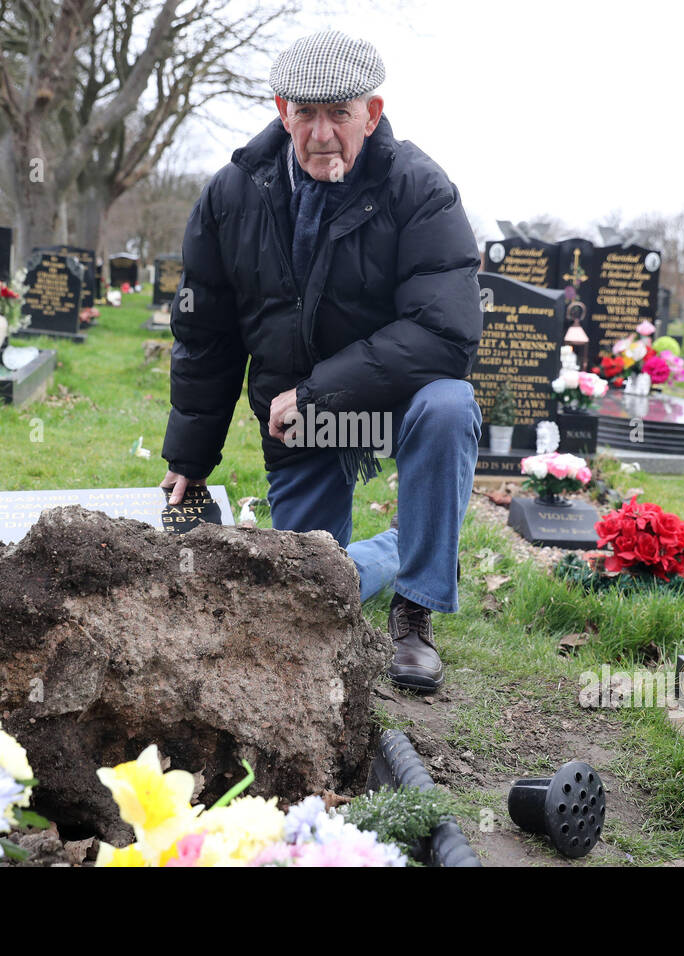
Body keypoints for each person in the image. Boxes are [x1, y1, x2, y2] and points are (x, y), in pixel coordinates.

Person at [160, 29, 481, 692]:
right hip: (303, 425)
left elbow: (445, 334)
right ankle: (399, 549)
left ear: (374, 111)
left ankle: (415, 611)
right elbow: (207, 332)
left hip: (384, 410)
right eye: (306, 113)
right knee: (307, 599)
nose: (322, 133)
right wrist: (189, 457)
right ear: (282, 111)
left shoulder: (419, 187)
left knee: (451, 407)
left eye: (340, 113)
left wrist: (317, 394)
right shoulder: (231, 195)